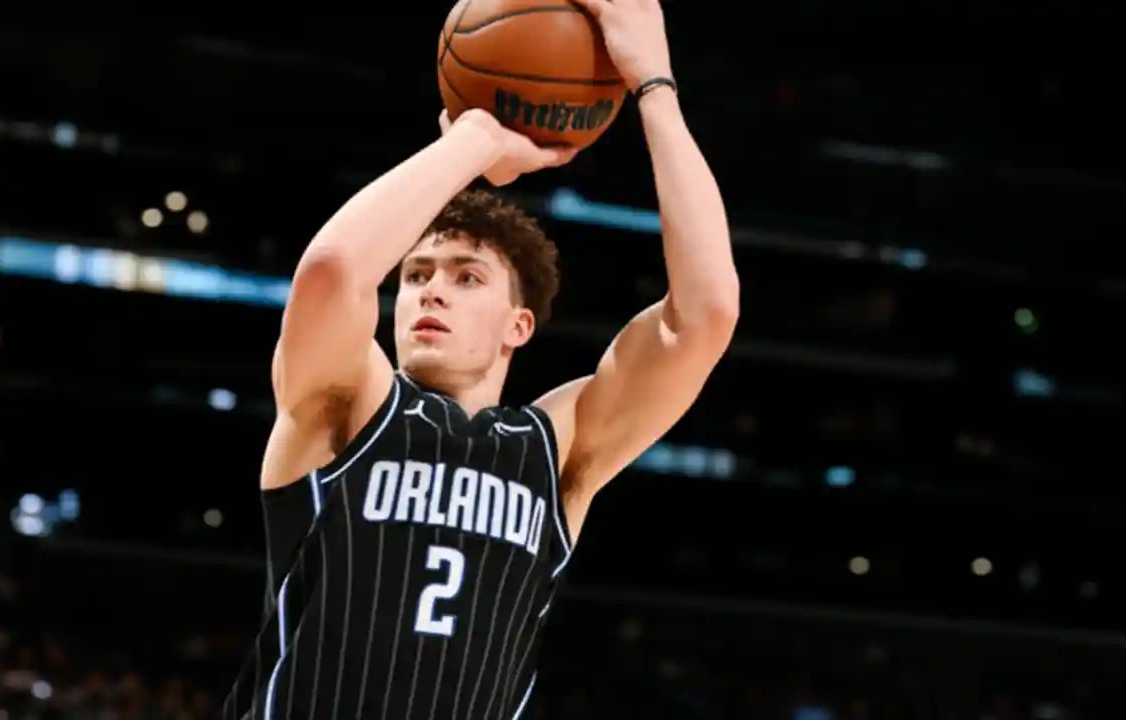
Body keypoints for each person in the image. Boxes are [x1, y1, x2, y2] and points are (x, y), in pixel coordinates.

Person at [220, 1, 738, 718]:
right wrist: (473, 140)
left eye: (467, 277)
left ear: (518, 325)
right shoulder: (347, 406)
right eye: (417, 274)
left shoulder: (557, 450)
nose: (433, 290)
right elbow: (334, 272)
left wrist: (654, 86)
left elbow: (706, 316)